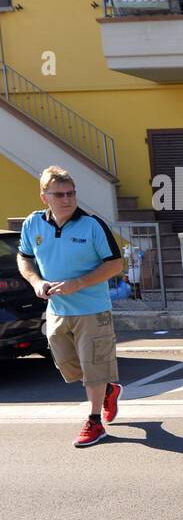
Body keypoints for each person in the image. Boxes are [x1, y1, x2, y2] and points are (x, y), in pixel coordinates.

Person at [16, 167, 125, 448]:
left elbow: (115, 264)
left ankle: (94, 421)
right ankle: (107, 389)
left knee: (93, 367)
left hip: (93, 310)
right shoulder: (33, 224)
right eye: (59, 194)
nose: (67, 199)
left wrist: (79, 283)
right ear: (44, 197)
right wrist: (36, 281)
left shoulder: (92, 225)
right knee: (67, 366)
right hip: (57, 310)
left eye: (71, 193)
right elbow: (24, 257)